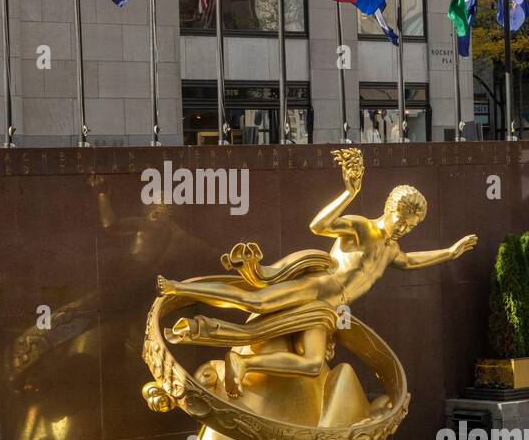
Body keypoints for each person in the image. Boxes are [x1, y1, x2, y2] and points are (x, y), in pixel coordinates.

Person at [158, 148, 476, 391]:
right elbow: (319, 225)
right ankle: (179, 288)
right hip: (317, 288)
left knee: (311, 364)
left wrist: (448, 253)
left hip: (327, 309)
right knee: (256, 301)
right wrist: (349, 193)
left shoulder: (391, 249)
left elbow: (410, 262)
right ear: (390, 209)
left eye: (410, 227)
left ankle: (243, 362)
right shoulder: (361, 228)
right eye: (402, 221)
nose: (403, 230)